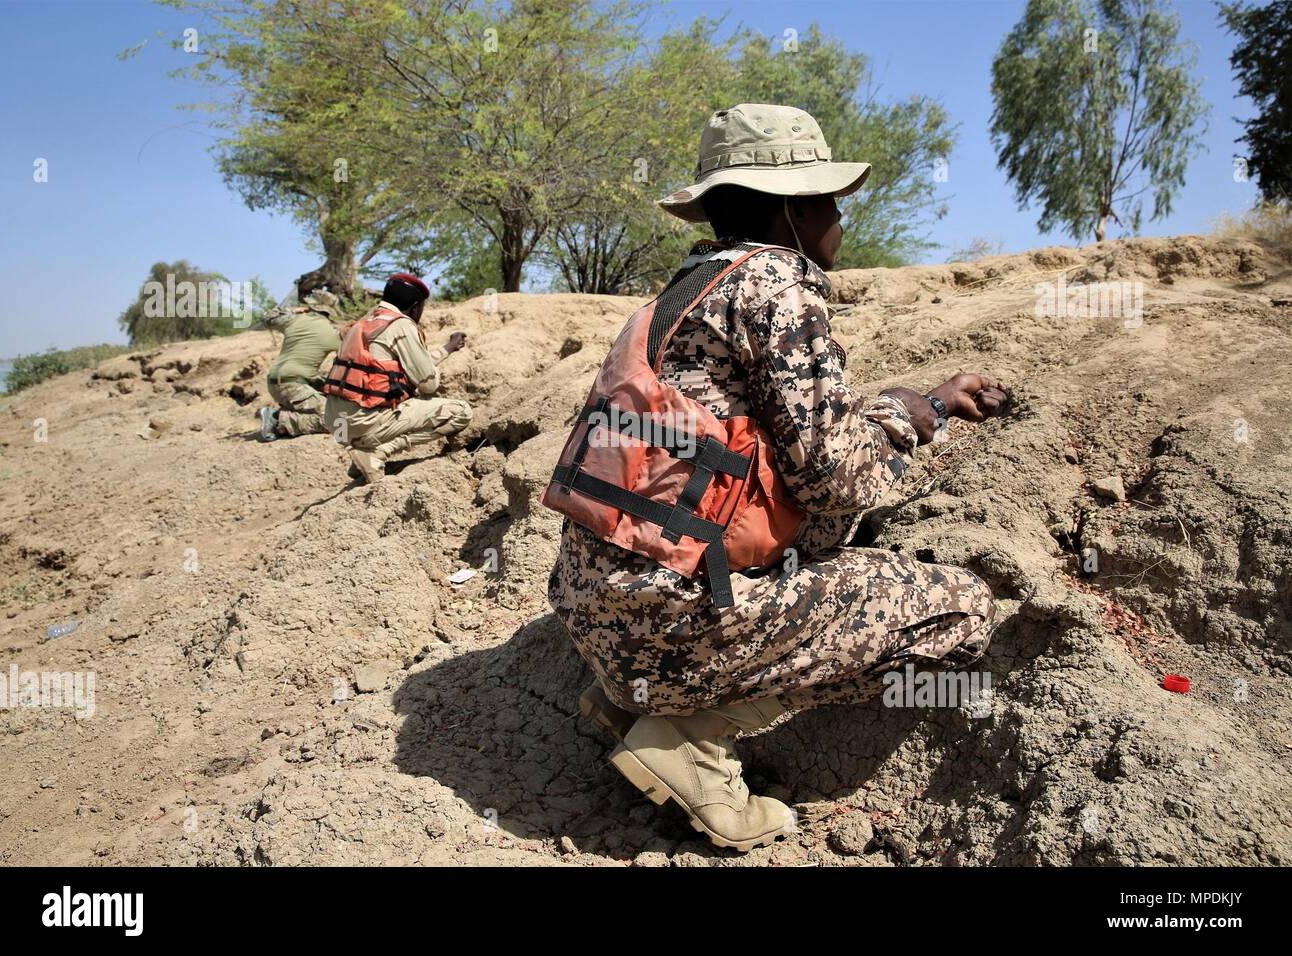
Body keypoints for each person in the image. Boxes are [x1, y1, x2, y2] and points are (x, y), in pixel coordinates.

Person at [542, 104, 1008, 853]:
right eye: (830, 199)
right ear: (793, 208)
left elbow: (763, 447)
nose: (841, 218)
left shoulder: (678, 296)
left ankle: (627, 701)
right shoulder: (777, 285)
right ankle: (687, 733)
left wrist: (918, 403)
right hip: (670, 633)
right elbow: (834, 479)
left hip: (597, 616)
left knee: (815, 538)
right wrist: (911, 437)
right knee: (962, 614)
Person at [322, 273, 472, 482]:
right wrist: (430, 372)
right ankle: (376, 452)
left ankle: (365, 452)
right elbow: (428, 384)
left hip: (337, 425)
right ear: (415, 306)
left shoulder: (363, 324)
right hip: (363, 422)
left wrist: (446, 349)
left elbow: (386, 365)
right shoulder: (401, 325)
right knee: (460, 412)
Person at [257, 290, 341, 441]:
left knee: (322, 387)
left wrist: (293, 311)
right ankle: (277, 420)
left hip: (273, 381)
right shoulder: (332, 333)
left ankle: (292, 411)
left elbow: (267, 317)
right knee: (337, 421)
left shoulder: (293, 320)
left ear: (309, 306)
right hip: (293, 385)